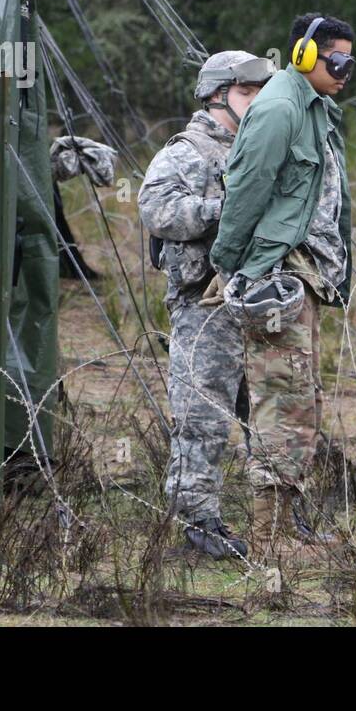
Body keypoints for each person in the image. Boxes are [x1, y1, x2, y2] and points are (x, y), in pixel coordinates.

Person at [209, 13, 354, 557]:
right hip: (278, 272)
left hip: (307, 272)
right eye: (336, 60)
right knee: (280, 405)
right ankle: (266, 542)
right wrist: (231, 265)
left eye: (349, 61)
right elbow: (245, 189)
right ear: (305, 55)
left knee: (301, 402)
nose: (345, 71)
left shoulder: (314, 107)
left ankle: (285, 529)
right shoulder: (278, 108)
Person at [137, 50, 274, 560]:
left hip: (258, 301)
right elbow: (156, 209)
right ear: (219, 94)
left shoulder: (256, 147)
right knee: (202, 415)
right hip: (205, 305)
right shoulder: (188, 151)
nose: (256, 101)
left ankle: (281, 513)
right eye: (246, 92)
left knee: (272, 412)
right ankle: (196, 522)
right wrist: (222, 210)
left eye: (260, 92)